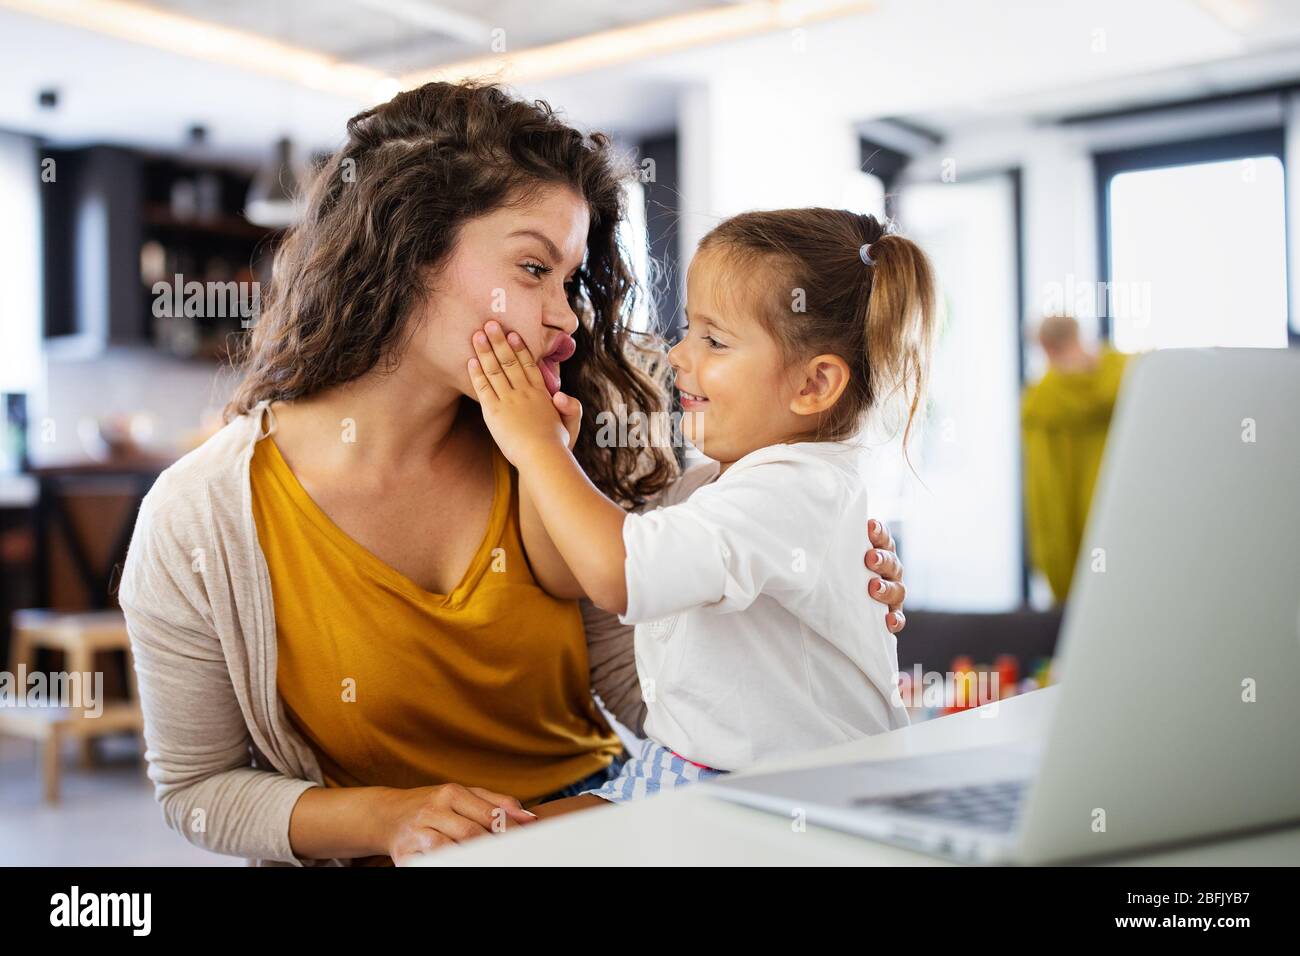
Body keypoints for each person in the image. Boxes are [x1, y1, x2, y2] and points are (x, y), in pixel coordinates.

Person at [116, 81, 910, 866]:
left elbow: (659, 688)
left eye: (570, 280)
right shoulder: (201, 518)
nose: (566, 315)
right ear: (407, 249)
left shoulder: (561, 445)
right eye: (534, 269)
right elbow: (197, 789)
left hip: (595, 822)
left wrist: (801, 606)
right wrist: (387, 819)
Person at [468, 208, 935, 805]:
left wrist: (537, 448)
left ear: (814, 385)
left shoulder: (791, 491)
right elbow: (590, 568)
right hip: (692, 772)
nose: (678, 355)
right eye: (689, 330)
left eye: (714, 340)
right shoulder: (731, 486)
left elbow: (618, 573)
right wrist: (548, 455)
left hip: (787, 800)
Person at [1022, 315, 1131, 603]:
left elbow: (1045, 495)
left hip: (1075, 551)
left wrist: (1054, 565)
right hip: (1130, 524)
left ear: (1045, 347)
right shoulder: (1131, 378)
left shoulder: (1042, 404)